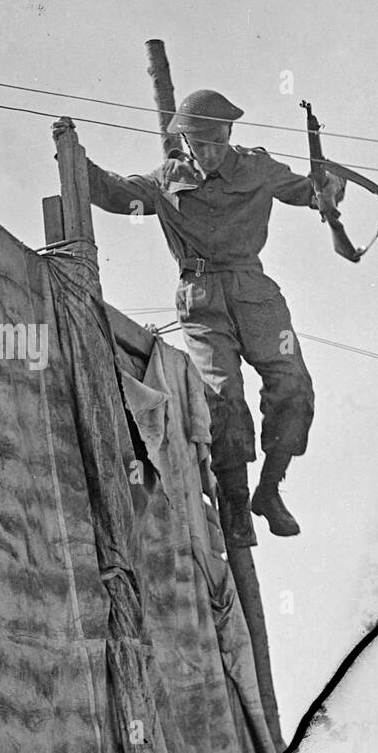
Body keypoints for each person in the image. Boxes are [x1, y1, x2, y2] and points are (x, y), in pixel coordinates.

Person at [52, 91, 344, 544]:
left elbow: (306, 191)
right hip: (202, 298)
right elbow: (116, 194)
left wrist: (327, 192)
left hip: (255, 293)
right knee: (224, 397)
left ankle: (269, 490)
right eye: (197, 143)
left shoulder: (257, 168)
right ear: (185, 142)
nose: (207, 152)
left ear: (229, 133)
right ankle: (235, 502)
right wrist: (74, 155)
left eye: (215, 140)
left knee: (295, 387)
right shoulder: (168, 180)